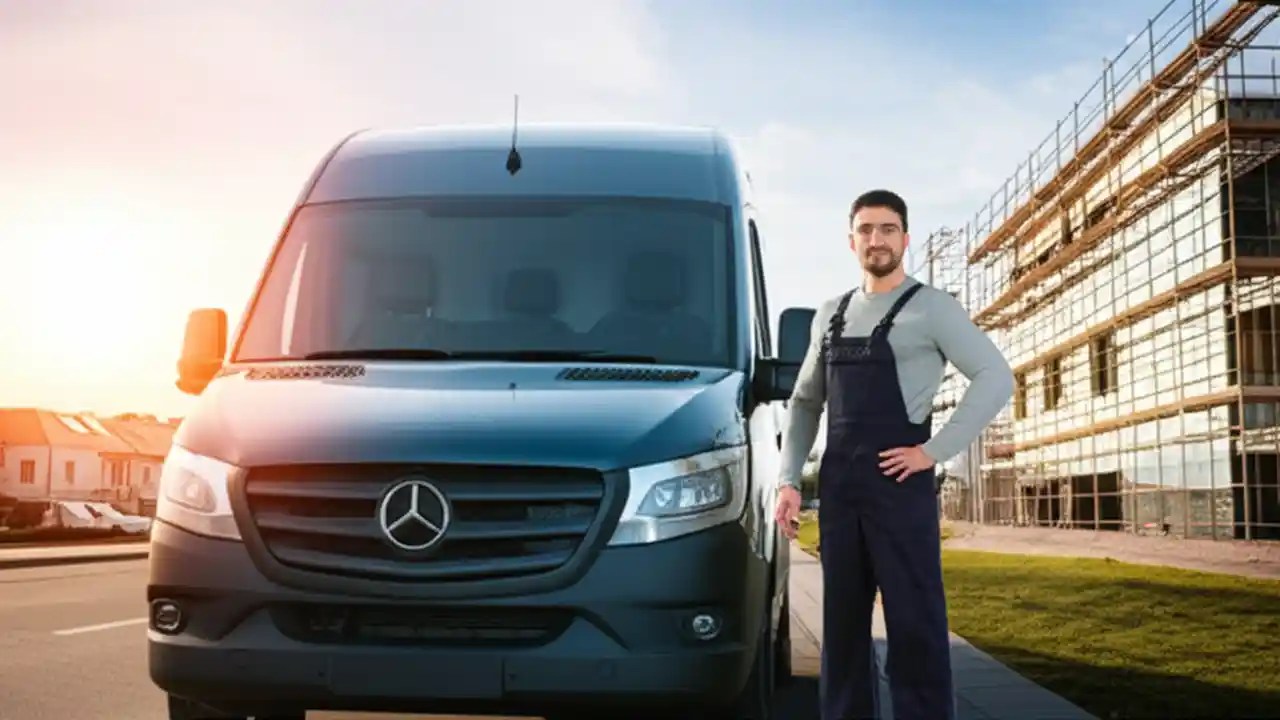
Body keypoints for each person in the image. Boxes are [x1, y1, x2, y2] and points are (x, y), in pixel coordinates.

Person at [774, 189, 1014, 720]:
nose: (876, 239)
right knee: (842, 632)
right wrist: (788, 479)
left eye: (887, 229)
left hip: (901, 495)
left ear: (905, 239)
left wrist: (934, 451)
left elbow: (997, 377)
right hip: (839, 495)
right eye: (866, 229)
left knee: (915, 629)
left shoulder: (933, 308)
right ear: (851, 239)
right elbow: (805, 401)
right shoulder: (829, 315)